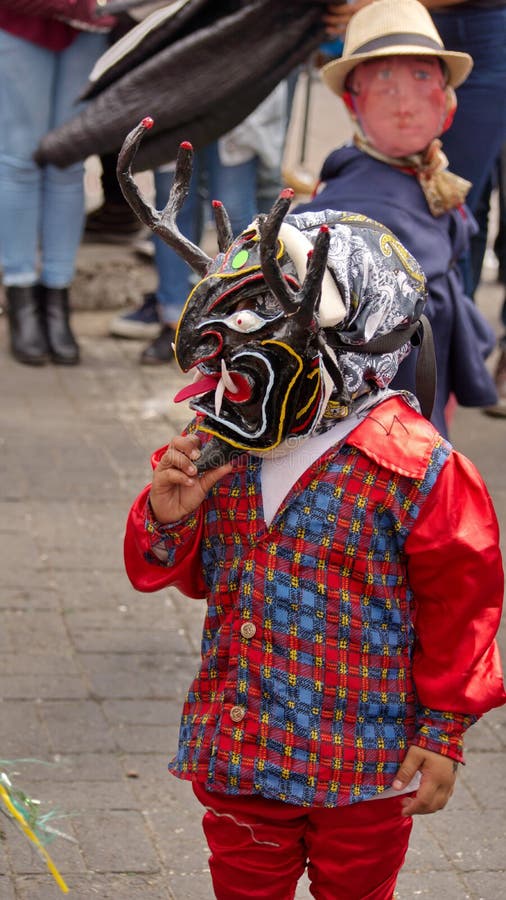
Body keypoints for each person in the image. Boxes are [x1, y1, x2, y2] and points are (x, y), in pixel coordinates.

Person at [119, 117, 505, 900]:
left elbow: (463, 603)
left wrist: (444, 731)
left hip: (365, 767)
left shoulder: (419, 467)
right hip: (244, 751)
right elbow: (174, 574)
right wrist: (167, 516)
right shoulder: (220, 441)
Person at [297, 0, 497, 437]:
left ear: (447, 99)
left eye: (421, 78)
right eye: (384, 82)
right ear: (353, 102)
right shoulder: (353, 206)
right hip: (386, 424)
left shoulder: (427, 176)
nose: (405, 104)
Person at [109, 81, 290, 364]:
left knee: (236, 214)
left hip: (238, 96)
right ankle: (175, 321)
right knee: (171, 212)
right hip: (178, 92)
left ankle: (245, 319)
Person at [0, 0, 114, 366]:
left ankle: (57, 297)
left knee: (68, 162)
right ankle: (20, 294)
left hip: (89, 20)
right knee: (19, 159)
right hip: (20, 15)